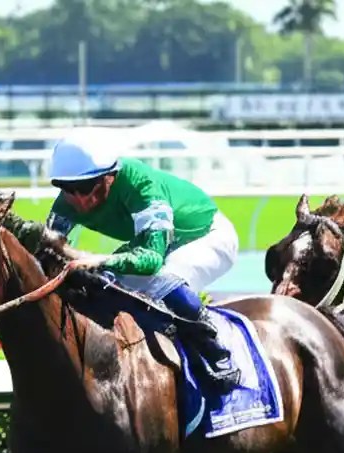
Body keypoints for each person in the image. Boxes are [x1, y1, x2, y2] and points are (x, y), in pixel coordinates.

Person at [13, 126, 242, 391]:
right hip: (163, 244)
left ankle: (217, 354)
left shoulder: (141, 186)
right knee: (101, 285)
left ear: (110, 176)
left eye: (86, 187)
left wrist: (97, 259)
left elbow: (151, 260)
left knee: (161, 280)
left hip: (207, 236)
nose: (79, 199)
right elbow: (46, 254)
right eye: (66, 188)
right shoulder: (67, 203)